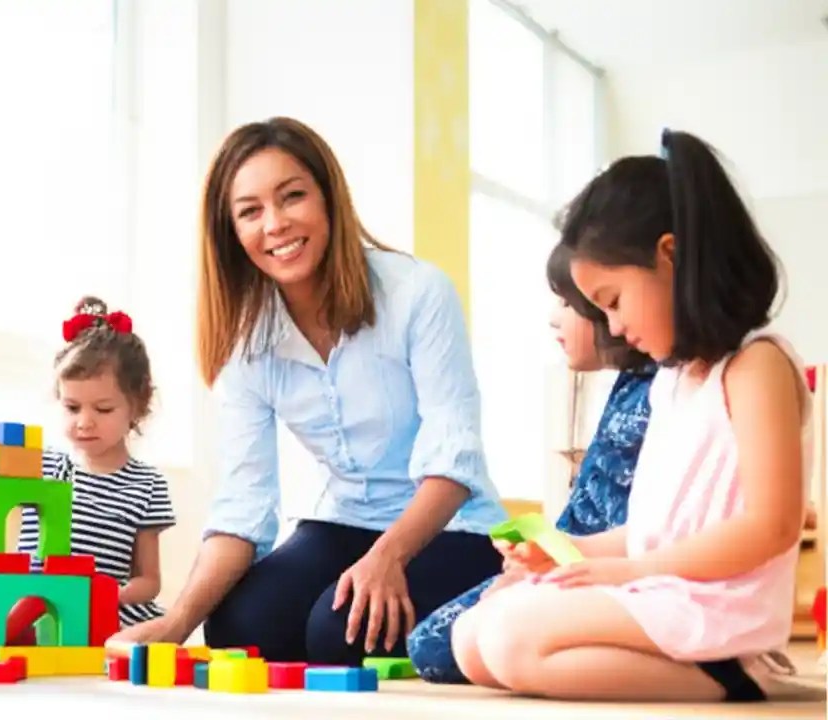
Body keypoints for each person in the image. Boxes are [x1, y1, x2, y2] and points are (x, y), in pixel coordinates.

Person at [111, 116, 506, 665]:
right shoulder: (249, 343)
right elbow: (245, 503)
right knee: (236, 628)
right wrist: (176, 623)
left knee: (338, 632)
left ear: (328, 200)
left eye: (292, 197)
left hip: (452, 527)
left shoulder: (417, 292)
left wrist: (388, 557)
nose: (275, 224)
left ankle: (483, 604)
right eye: (250, 211)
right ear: (231, 231)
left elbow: (455, 459)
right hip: (344, 520)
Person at [452, 130, 808, 702]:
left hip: (715, 611)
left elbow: (772, 527)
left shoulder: (755, 366)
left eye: (613, 301)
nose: (613, 329)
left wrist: (630, 574)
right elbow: (652, 533)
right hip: (668, 592)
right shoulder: (671, 382)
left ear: (669, 257)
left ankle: (736, 674)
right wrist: (570, 555)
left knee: (511, 641)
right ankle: (709, 672)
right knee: (472, 636)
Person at [406, 241, 656, 682]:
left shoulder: (657, 394)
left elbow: (637, 533)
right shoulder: (628, 386)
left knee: (447, 646)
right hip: (572, 561)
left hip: (605, 575)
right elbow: (586, 520)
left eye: (567, 303)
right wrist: (535, 556)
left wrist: (547, 569)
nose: (553, 318)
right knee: (430, 645)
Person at [12, 297, 175, 637]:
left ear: (138, 406)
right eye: (72, 408)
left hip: (104, 616)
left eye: (103, 409)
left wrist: (108, 596)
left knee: (153, 637)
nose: (84, 423)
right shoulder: (43, 467)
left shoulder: (147, 484)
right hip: (33, 613)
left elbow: (149, 581)